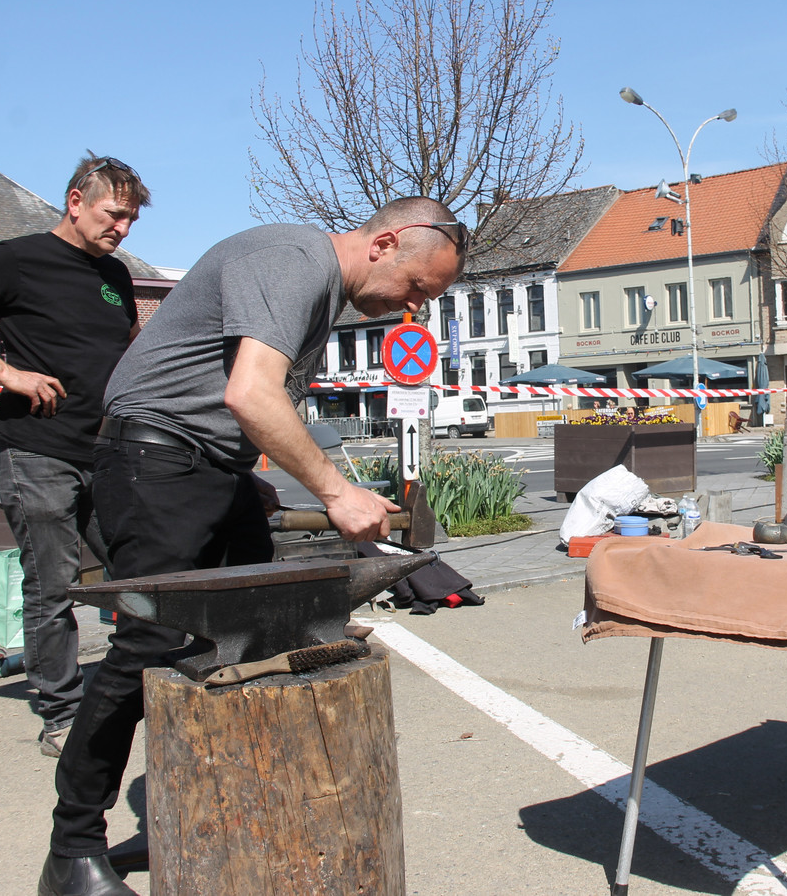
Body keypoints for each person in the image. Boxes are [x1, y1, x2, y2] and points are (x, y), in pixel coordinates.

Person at [38, 197, 467, 895]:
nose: (411, 307)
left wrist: (248, 477)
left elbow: (245, 402)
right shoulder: (292, 259)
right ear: (386, 244)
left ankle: (201, 811)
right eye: (417, 287)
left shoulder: (321, 289)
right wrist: (336, 492)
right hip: (154, 460)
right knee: (150, 645)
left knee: (251, 637)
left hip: (205, 465)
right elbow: (250, 392)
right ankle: (72, 847)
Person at [0, 156, 149, 758]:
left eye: (130, 219)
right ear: (75, 201)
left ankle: (143, 682)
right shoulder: (15, 258)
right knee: (55, 584)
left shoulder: (116, 276)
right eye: (112, 214)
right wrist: (5, 373)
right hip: (32, 449)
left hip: (102, 451)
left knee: (142, 566)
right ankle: (62, 713)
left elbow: (126, 355)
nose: (121, 228)